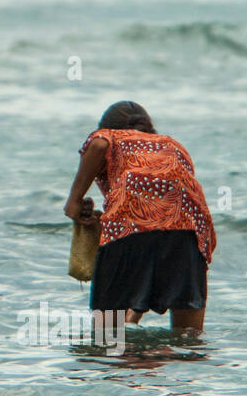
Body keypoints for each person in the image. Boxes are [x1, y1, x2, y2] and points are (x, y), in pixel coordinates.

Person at [64, 101, 216, 333]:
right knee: (188, 337)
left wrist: (74, 202)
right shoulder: (172, 145)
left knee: (107, 334)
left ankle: (114, 359)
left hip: (130, 230)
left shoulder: (109, 136)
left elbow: (97, 144)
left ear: (108, 126)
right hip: (187, 233)